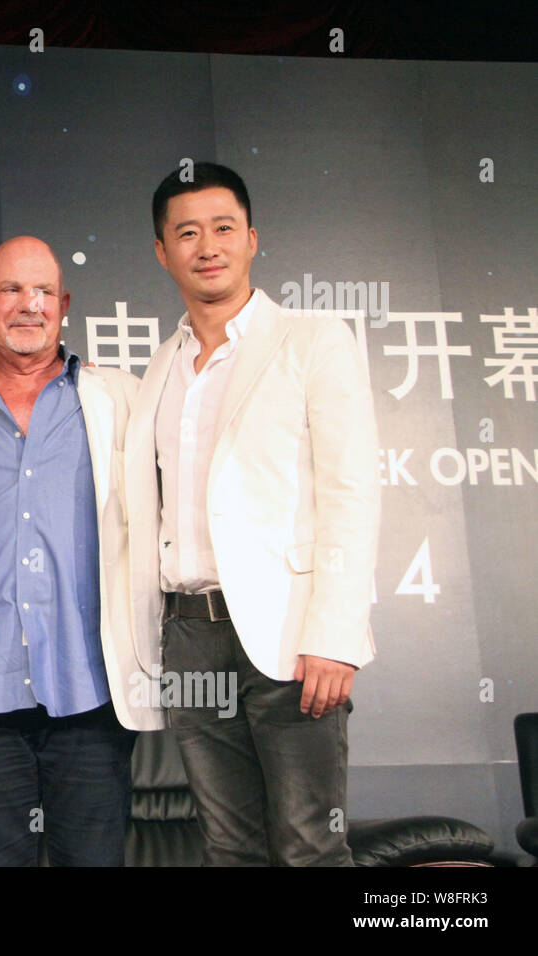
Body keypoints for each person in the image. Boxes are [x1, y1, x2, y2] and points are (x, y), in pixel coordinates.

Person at [125, 162, 380, 865]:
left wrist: (335, 634)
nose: (207, 245)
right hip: (189, 635)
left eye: (223, 228)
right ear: (161, 251)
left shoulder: (313, 340)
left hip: (292, 637)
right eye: (187, 232)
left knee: (308, 845)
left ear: (251, 239)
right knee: (228, 847)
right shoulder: (161, 368)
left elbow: (351, 493)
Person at [0, 236, 162, 867]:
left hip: (90, 698)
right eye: (11, 290)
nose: (30, 305)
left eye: (44, 291)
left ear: (65, 303)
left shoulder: (122, 400)